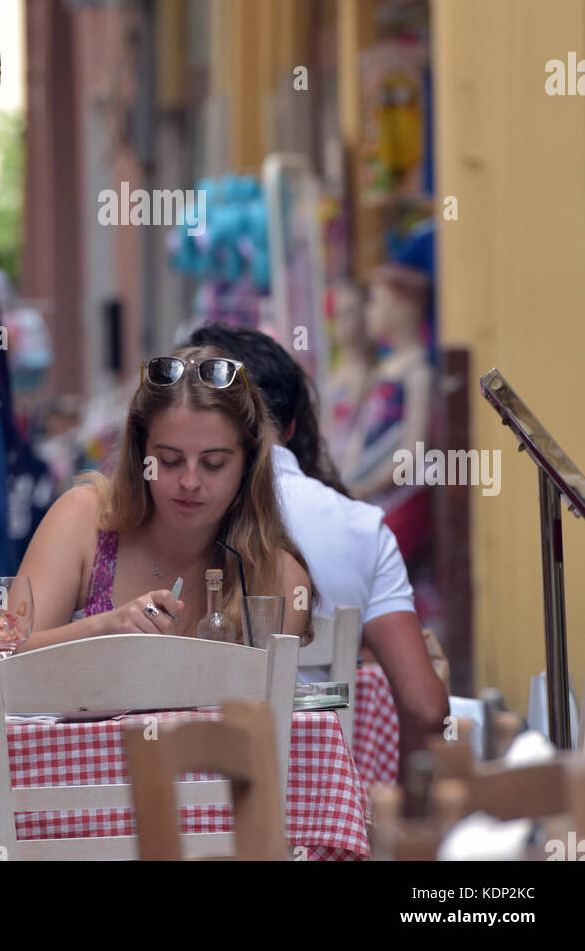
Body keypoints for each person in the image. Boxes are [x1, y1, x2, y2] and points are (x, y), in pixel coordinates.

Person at [188, 324, 449, 764]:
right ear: (290, 427)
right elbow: (426, 707)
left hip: (187, 780)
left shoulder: (180, 507)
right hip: (324, 802)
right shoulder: (362, 526)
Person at [16, 345, 314, 647]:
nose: (189, 481)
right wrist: (103, 628)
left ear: (248, 465)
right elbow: (2, 659)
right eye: (170, 460)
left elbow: (265, 694)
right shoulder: (83, 518)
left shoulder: (278, 579)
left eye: (214, 464)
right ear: (140, 455)